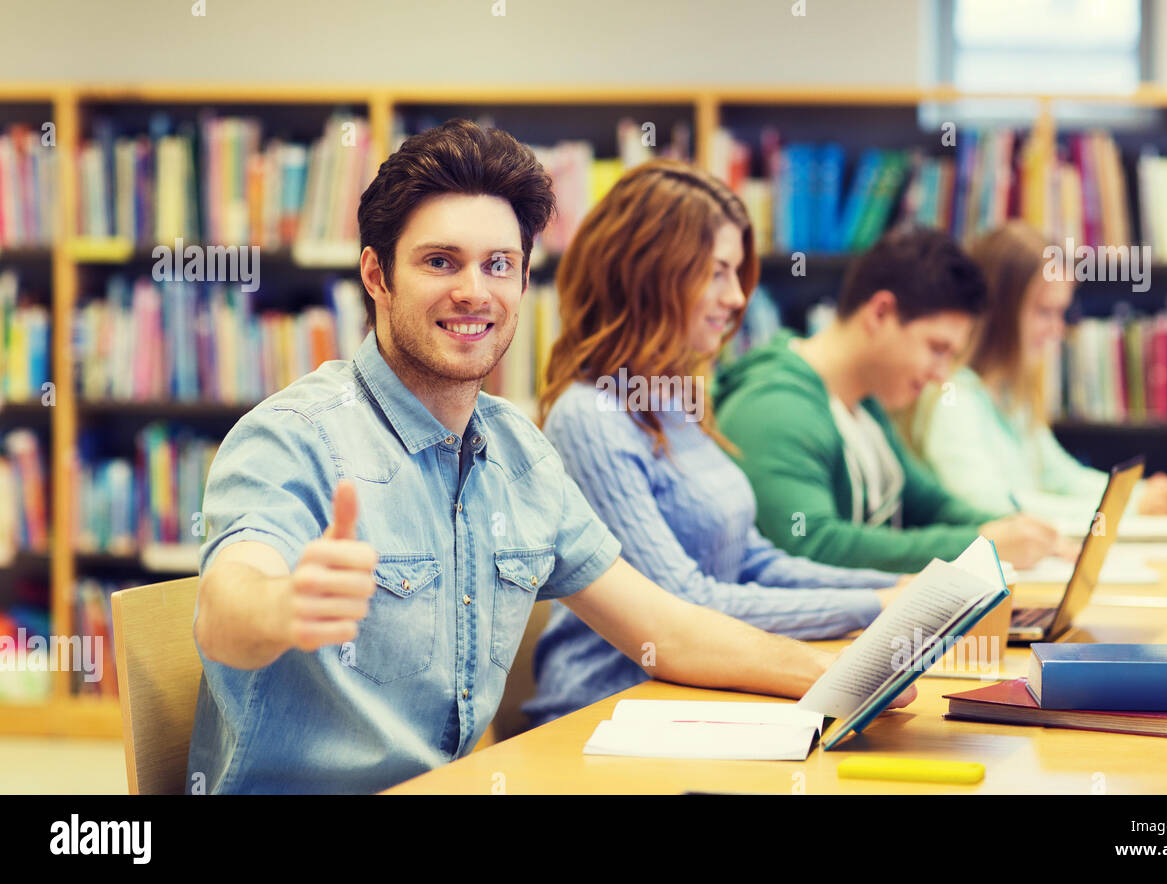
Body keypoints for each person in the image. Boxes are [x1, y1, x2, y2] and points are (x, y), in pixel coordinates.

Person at [187, 122, 913, 795]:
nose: (474, 291)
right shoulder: (293, 436)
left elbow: (672, 630)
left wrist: (843, 675)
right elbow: (225, 609)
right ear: (376, 276)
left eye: (498, 265)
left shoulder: (518, 452)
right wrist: (284, 607)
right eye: (441, 262)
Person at [524, 160, 907, 728]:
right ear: (649, 273)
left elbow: (753, 562)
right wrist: (874, 607)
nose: (737, 298)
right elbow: (684, 602)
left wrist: (899, 589)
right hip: (604, 713)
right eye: (718, 272)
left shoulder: (677, 402)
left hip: (701, 694)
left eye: (738, 274)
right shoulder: (590, 417)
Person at [714, 227, 1063, 573]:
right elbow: (810, 545)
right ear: (880, 313)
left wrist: (1016, 530)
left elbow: (928, 504)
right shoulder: (775, 407)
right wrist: (978, 545)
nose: (941, 375)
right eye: (936, 349)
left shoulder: (862, 402)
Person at [909, 221, 1167, 523]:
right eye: (1044, 311)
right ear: (999, 312)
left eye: (1061, 312)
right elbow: (990, 505)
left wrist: (1141, 494)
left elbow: (1063, 478)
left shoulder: (1009, 396)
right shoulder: (954, 398)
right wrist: (1126, 508)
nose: (1057, 330)